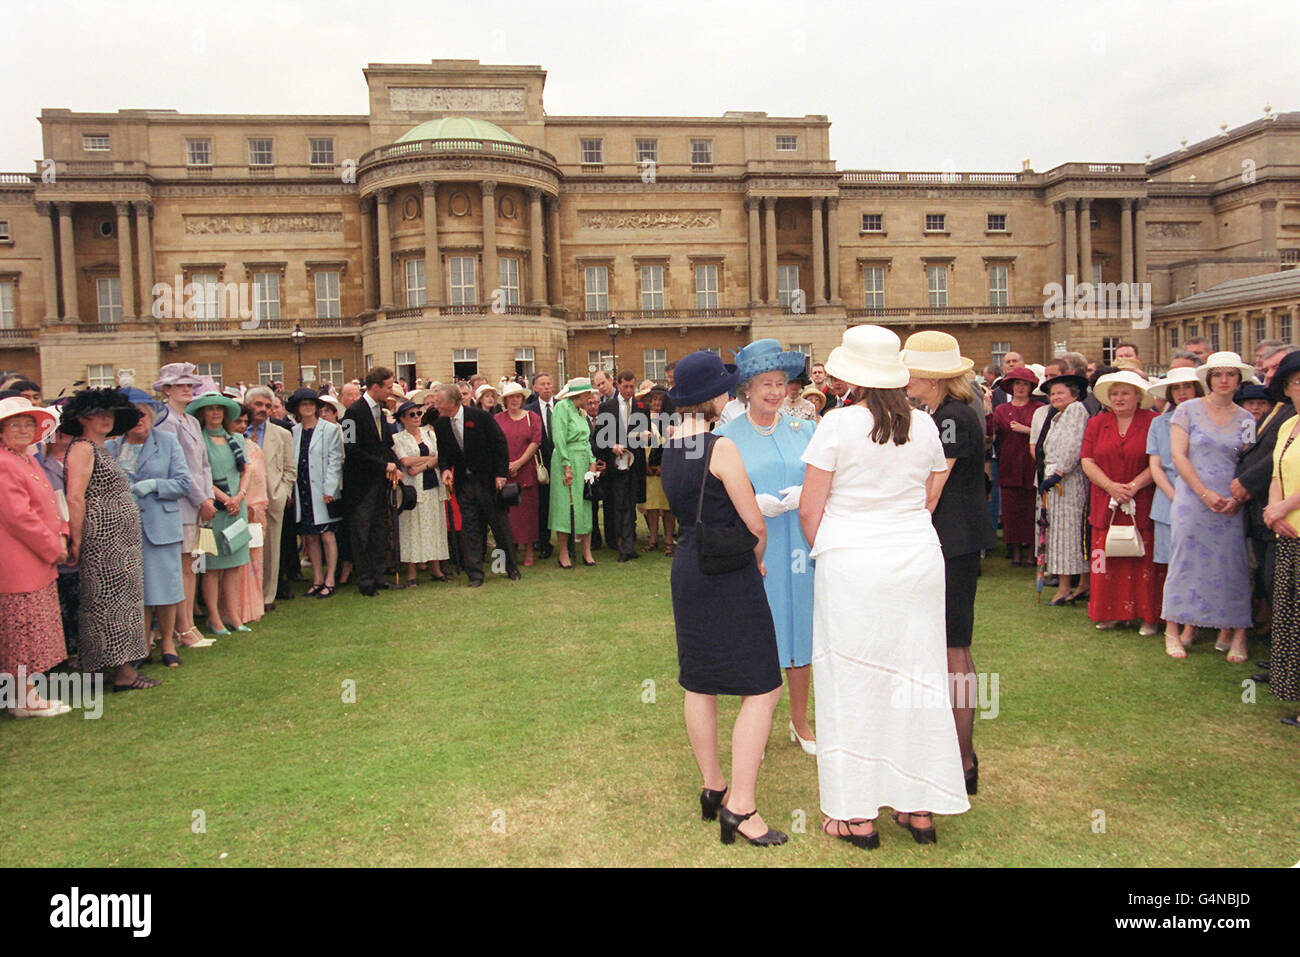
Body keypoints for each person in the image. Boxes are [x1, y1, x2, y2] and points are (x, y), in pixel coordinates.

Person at [799, 326, 969, 848]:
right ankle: (917, 806)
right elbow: (926, 495)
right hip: (914, 559)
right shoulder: (923, 426)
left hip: (856, 561)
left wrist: (831, 549)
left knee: (852, 681)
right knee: (916, 675)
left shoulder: (837, 424)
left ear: (852, 374)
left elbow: (811, 508)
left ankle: (855, 814)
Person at [661, 351, 786, 847]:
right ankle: (741, 807)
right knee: (763, 685)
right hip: (726, 571)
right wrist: (755, 557)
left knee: (700, 680)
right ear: (714, 395)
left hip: (688, 566)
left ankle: (713, 785)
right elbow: (755, 522)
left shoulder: (669, 443)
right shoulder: (721, 448)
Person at [903, 331, 997, 797]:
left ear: (933, 377)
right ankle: (953, 754)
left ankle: (962, 759)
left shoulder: (953, 416)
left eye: (911, 370)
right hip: (946, 542)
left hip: (952, 545)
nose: (905, 378)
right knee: (944, 647)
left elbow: (932, 489)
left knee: (953, 648)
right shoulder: (939, 414)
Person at [716, 339, 818, 755]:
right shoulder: (726, 436)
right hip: (756, 550)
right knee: (758, 635)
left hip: (801, 540)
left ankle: (800, 722)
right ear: (747, 389)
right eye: (765, 384)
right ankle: (754, 728)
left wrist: (806, 492)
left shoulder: (806, 428)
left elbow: (827, 476)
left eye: (781, 383)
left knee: (802, 632)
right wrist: (750, 504)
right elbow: (716, 496)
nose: (775, 391)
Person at [1162, 352, 1258, 662]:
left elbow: (1249, 462)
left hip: (1230, 503)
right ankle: (1173, 630)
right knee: (1184, 563)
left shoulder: (1247, 419)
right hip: (1192, 499)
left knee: (1233, 565)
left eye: (1231, 374)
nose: (1224, 380)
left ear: (1238, 380)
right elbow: (1178, 457)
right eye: (1218, 375)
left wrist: (1238, 498)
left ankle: (1238, 632)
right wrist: (1203, 493)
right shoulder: (1187, 411)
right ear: (1209, 379)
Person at [62, 388, 158, 690]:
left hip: (118, 539)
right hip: (103, 538)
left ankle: (111, 667)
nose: (106, 419)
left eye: (109, 414)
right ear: (82, 417)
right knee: (110, 603)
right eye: (98, 413)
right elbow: (75, 497)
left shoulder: (100, 447)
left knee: (118, 602)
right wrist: (75, 540)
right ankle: (123, 671)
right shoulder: (83, 449)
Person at [106, 389, 192, 667]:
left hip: (160, 525)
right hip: (123, 529)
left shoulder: (167, 442)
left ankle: (168, 641)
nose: (137, 420)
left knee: (165, 588)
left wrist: (155, 485)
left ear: (152, 416)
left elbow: (183, 483)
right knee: (136, 589)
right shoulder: (111, 447)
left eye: (142, 414)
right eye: (130, 416)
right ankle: (142, 645)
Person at [0, 397, 72, 716]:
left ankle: (28, 694)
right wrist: (53, 546)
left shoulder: (27, 459)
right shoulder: (4, 462)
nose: (22, 430)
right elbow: (19, 516)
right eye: (14, 424)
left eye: (28, 424)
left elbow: (49, 502)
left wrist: (62, 532)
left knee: (31, 630)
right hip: (17, 561)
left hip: (36, 559)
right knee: (21, 632)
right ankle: (23, 698)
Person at [1081, 371, 1162, 633]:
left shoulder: (1153, 422)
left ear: (1138, 396)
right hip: (1104, 500)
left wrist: (1133, 486)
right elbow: (1087, 460)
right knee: (1103, 558)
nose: (1119, 398)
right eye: (1114, 394)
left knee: (1143, 559)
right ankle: (1108, 612)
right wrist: (1110, 487)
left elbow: (1158, 462)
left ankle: (1148, 616)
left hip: (1141, 499)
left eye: (1125, 393)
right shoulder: (1096, 423)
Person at [151, 363, 215, 649]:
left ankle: (187, 625)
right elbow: (180, 469)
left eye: (190, 385)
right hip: (178, 503)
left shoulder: (190, 420)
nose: (188, 390)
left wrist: (208, 496)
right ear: (167, 390)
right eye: (181, 386)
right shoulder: (165, 420)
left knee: (189, 565)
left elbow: (203, 464)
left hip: (196, 501)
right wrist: (201, 498)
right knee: (181, 567)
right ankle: (183, 627)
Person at [431, 383, 520, 587]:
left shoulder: (479, 417)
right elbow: (443, 453)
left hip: (488, 481)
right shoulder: (441, 424)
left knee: (499, 526)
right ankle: (475, 574)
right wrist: (445, 469)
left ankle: (511, 567)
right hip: (464, 484)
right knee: (470, 528)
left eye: (439, 402)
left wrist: (501, 474)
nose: (436, 405)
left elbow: (499, 443)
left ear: (452, 402)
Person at [1145, 368, 1205, 656]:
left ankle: (1191, 626)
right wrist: (1175, 496)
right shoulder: (1160, 423)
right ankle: (1171, 627)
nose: (1182, 392)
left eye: (1188, 387)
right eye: (1176, 387)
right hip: (1169, 500)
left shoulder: (1209, 420)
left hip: (1205, 500)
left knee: (1198, 567)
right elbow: (1155, 465)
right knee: (1172, 569)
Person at [187, 390, 252, 635]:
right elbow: (200, 475)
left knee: (235, 564)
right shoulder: (199, 441)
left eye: (219, 408)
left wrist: (239, 497)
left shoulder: (236, 439)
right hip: (214, 508)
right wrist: (225, 498)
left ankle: (233, 615)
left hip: (237, 506)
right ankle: (214, 618)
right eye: (210, 408)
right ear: (203, 413)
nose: (215, 413)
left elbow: (246, 470)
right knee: (212, 567)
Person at [1262, 349, 1300, 727]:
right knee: (1291, 613)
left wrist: (1283, 506)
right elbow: (1275, 472)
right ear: (1288, 389)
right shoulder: (1289, 426)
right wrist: (1274, 510)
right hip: (1288, 532)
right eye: (1298, 383)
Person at [342, 368, 402, 596]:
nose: (390, 391)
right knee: (361, 532)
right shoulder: (352, 413)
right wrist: (382, 465)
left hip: (379, 483)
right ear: (375, 387)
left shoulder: (380, 411)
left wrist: (394, 464)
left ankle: (379, 576)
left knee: (379, 529)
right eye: (387, 387)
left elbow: (385, 443)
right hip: (360, 485)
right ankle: (365, 580)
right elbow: (351, 450)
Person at [1035, 372, 1091, 605]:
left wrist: (1057, 474)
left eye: (1060, 392)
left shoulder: (1076, 410)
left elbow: (1073, 445)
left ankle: (1067, 587)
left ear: (1074, 394)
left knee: (1067, 534)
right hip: (1056, 482)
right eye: (1052, 393)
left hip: (1066, 483)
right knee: (1060, 533)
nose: (1054, 396)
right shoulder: (1058, 415)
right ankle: (1080, 584)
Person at [289, 388, 345, 598]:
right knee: (310, 536)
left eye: (311, 403)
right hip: (302, 489)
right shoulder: (293, 432)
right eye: (303, 404)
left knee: (327, 534)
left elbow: (335, 460)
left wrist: (329, 488)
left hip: (323, 490)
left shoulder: (329, 430)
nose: (308, 407)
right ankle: (317, 579)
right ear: (297, 408)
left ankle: (330, 578)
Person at [244, 386, 296, 607]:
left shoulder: (282, 434)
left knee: (271, 551)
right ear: (247, 405)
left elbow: (290, 470)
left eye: (267, 406)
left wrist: (282, 494)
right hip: (242, 501)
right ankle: (245, 598)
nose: (263, 409)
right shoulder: (235, 431)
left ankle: (267, 596)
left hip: (272, 499)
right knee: (243, 551)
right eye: (258, 404)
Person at [392, 399, 449, 585]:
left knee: (434, 526)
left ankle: (436, 568)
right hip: (413, 490)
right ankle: (411, 572)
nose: (416, 417)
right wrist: (429, 459)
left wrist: (423, 465)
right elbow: (405, 461)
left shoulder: (429, 434)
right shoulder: (398, 438)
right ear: (402, 419)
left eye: (418, 414)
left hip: (432, 484)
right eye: (412, 415)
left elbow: (440, 456)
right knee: (412, 528)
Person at [990, 365, 1043, 565]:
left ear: (1031, 387)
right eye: (1017, 383)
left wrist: (1027, 430)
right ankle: (1015, 552)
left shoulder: (1038, 409)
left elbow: (1044, 434)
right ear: (1011, 386)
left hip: (1031, 465)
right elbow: (992, 432)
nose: (1021, 388)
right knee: (1012, 511)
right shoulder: (1002, 409)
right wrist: (987, 412)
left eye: (1025, 384)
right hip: (1009, 464)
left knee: (1031, 510)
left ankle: (1031, 552)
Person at [595, 370, 649, 562]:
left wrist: (646, 436)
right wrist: (612, 446)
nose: (628, 390)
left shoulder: (642, 407)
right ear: (617, 385)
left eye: (632, 387)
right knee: (619, 505)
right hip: (616, 465)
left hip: (635, 463)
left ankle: (627, 545)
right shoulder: (607, 407)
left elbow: (646, 435)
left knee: (631, 503)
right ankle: (622, 545)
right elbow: (599, 438)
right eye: (625, 386)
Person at [548, 379, 599, 569]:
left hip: (583, 461)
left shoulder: (581, 412)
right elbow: (559, 438)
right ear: (579, 395)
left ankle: (586, 551)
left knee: (585, 504)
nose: (591, 398)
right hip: (565, 460)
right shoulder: (562, 408)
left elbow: (587, 440)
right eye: (588, 394)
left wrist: (592, 461)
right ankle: (563, 553)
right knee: (564, 507)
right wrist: (566, 466)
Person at [494, 382, 542, 567]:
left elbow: (535, 442)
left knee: (527, 513)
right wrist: (504, 466)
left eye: (517, 396)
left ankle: (529, 550)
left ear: (522, 399)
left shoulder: (532, 417)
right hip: (504, 472)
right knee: (508, 515)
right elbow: (494, 443)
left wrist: (519, 463)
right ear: (505, 400)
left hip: (526, 471)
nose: (514, 400)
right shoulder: (498, 418)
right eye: (510, 397)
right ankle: (508, 551)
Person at [229, 404, 268, 626]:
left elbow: (261, 479)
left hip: (254, 509)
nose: (242, 425)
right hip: (231, 508)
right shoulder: (224, 446)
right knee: (232, 562)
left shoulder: (253, 448)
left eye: (245, 422)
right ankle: (231, 610)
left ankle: (251, 608)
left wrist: (257, 506)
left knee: (253, 561)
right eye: (238, 421)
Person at [638, 386, 676, 554]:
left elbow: (675, 445)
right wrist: (645, 466)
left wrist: (665, 466)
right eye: (653, 399)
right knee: (652, 505)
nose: (656, 403)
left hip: (666, 468)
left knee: (668, 507)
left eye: (660, 399)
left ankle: (668, 539)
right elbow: (638, 444)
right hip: (649, 468)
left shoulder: (671, 420)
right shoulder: (643, 419)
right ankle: (653, 539)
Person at [524, 372, 557, 559]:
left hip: (560, 461)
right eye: (542, 384)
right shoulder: (530, 410)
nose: (546, 387)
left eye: (549, 383)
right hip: (540, 463)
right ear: (535, 388)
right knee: (542, 505)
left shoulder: (561, 406)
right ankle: (544, 543)